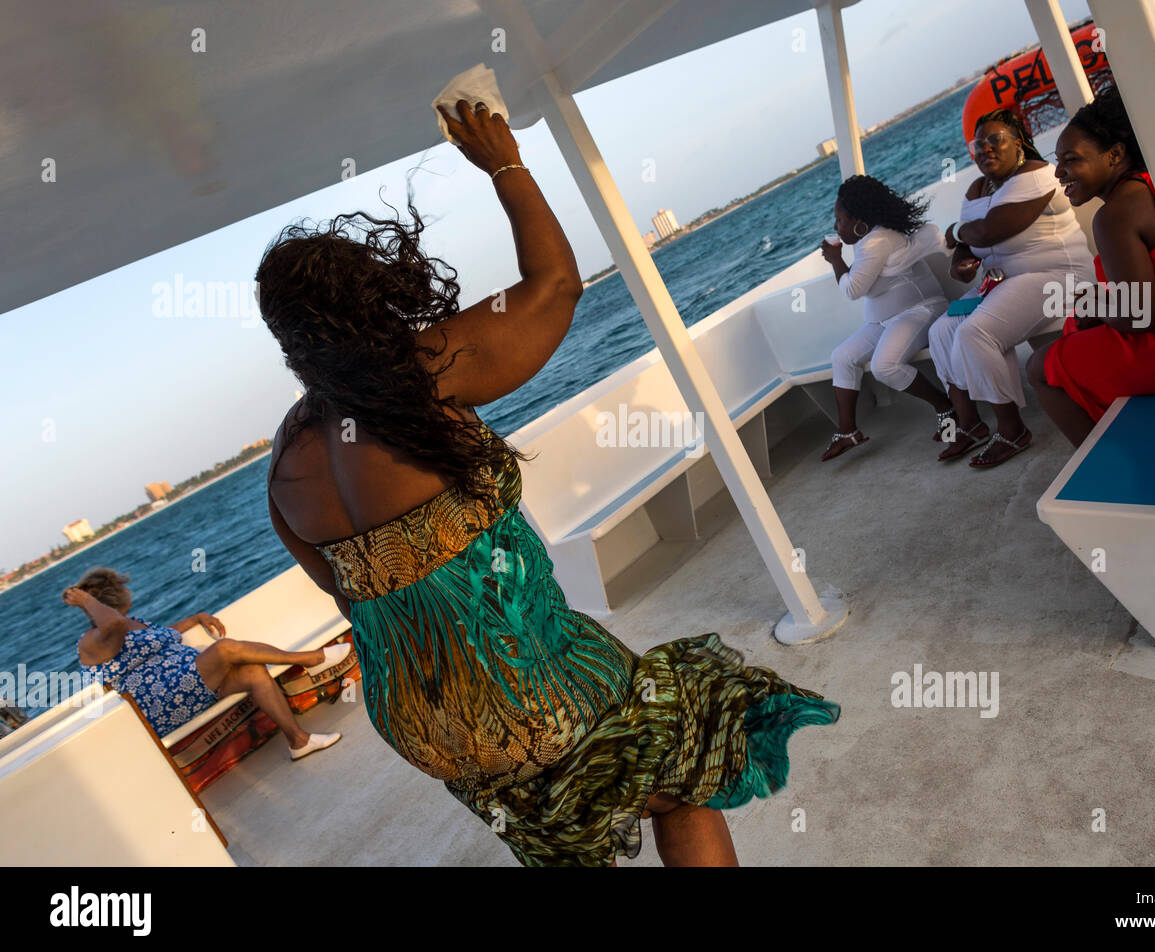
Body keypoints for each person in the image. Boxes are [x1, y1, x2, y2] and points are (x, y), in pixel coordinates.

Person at [256, 99, 840, 867]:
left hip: (424, 725)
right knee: (686, 759)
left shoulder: (284, 467)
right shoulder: (424, 373)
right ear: (369, 295)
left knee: (564, 816)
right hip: (530, 688)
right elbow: (555, 285)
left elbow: (352, 600)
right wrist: (505, 163)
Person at [1028, 69, 1155, 444]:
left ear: (1115, 154)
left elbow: (1139, 316)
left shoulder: (1115, 215)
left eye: (1071, 160)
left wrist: (1095, 304)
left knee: (1040, 366)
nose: (1059, 172)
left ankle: (1107, 464)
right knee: (1073, 330)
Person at [927, 108, 1093, 467]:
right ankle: (970, 424)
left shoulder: (1037, 175)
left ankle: (1012, 429)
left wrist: (957, 231)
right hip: (1003, 284)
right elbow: (967, 246)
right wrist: (960, 264)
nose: (985, 149)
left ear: (1018, 144)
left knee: (976, 333)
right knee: (941, 331)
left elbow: (990, 231)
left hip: (1058, 278)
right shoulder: (977, 189)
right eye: (978, 144)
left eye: (995, 140)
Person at [65, 566, 346, 758]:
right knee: (224, 650)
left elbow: (164, 636)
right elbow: (111, 621)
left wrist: (197, 617)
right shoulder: (94, 641)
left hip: (187, 688)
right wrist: (85, 600)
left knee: (252, 671)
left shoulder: (132, 623)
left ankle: (299, 741)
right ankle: (312, 658)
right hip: (162, 707)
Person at [817, 175, 951, 461]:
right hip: (887, 321)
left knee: (884, 366)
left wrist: (835, 260)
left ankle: (946, 407)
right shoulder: (871, 238)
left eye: (839, 220)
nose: (835, 226)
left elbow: (852, 289)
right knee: (842, 357)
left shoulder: (875, 242)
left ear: (858, 221)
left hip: (920, 311)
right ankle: (847, 431)